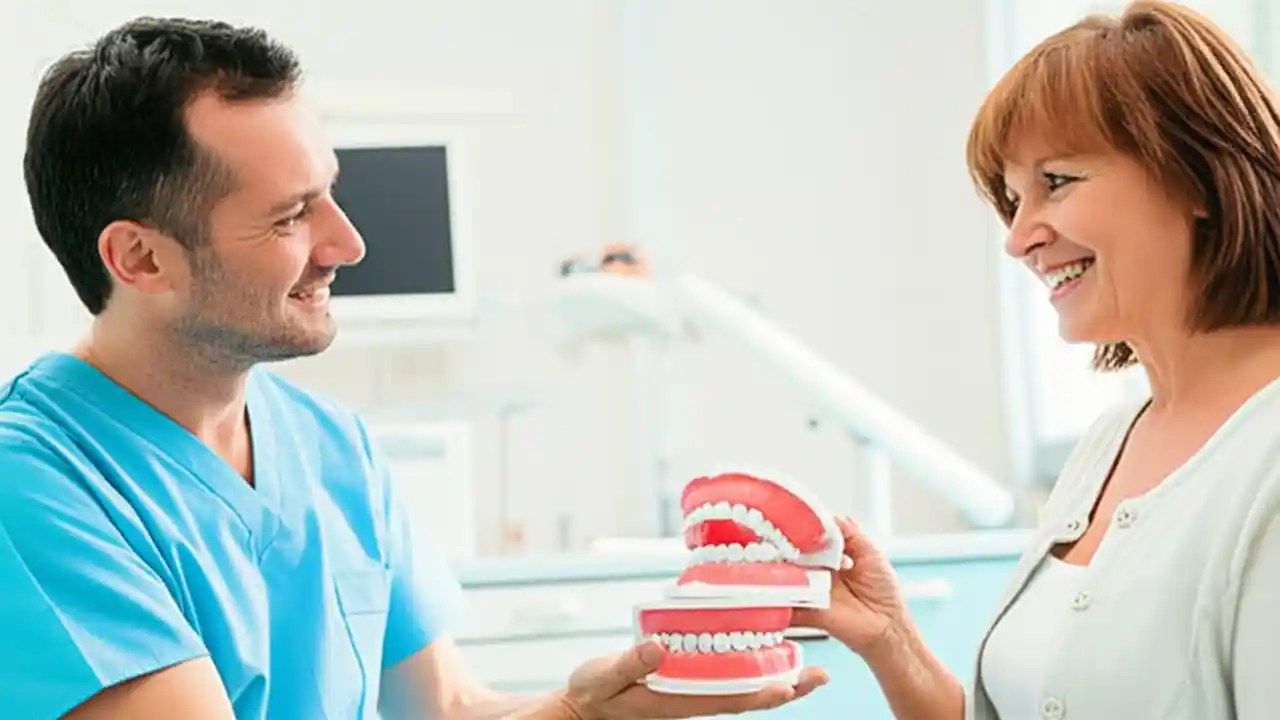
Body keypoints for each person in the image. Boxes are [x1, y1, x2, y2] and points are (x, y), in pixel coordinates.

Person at [0, 17, 827, 720]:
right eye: (291, 215)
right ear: (141, 257)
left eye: (329, 191)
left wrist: (578, 713)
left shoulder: (334, 448)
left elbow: (443, 707)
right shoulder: (32, 485)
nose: (348, 244)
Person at [793, 1, 1280, 718]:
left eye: (1057, 182)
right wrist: (891, 640)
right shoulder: (1112, 443)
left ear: (1196, 178)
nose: (1019, 239)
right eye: (1013, 199)